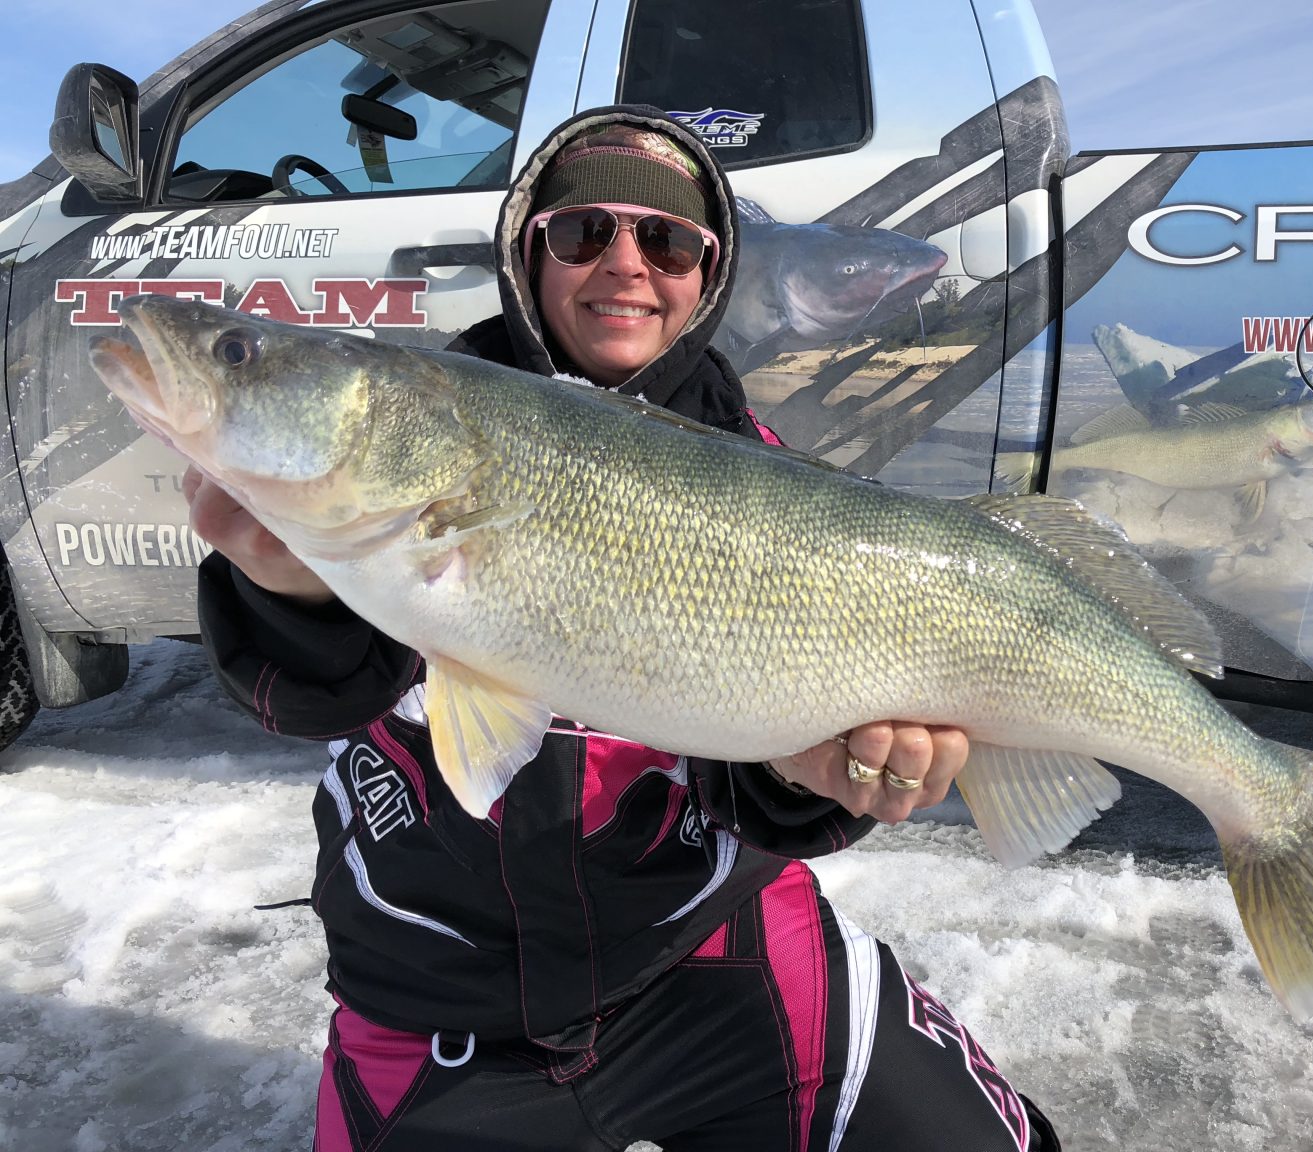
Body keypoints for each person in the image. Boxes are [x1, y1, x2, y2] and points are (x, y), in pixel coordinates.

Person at [189, 104, 1059, 1152]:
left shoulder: (763, 468)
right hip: (437, 1005)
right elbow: (311, 690)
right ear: (529, 253)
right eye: (582, 232)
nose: (626, 266)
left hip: (707, 956)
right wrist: (292, 592)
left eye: (668, 241)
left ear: (708, 274)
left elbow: (766, 779)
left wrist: (824, 778)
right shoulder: (421, 419)